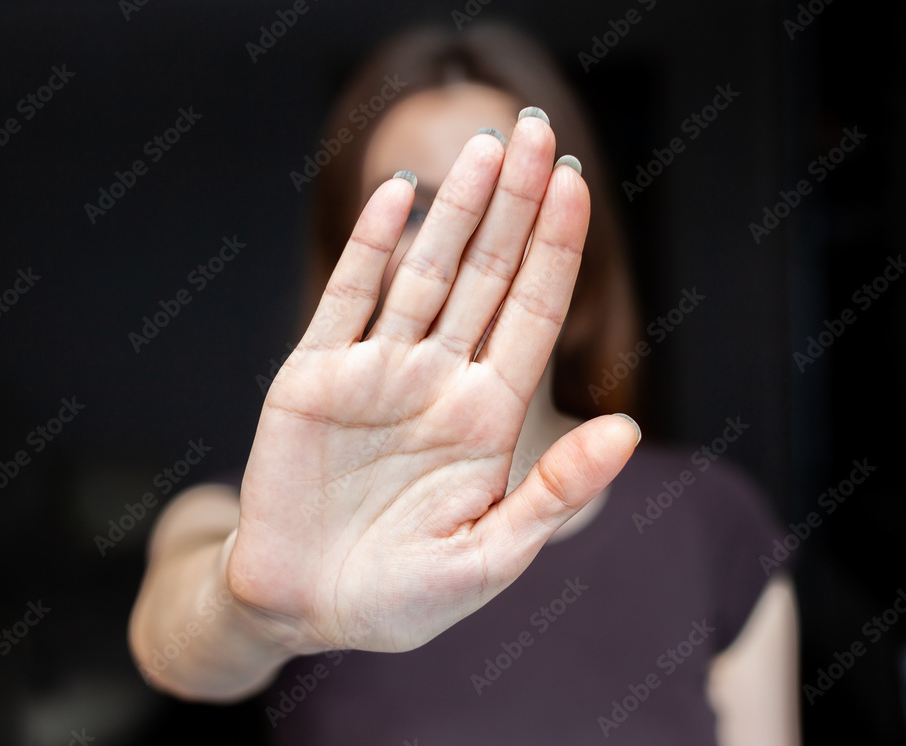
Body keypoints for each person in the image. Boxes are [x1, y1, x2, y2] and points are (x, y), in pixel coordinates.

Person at [128, 24, 799, 744]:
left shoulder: (710, 519)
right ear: (347, 256)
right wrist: (258, 612)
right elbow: (178, 650)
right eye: (417, 207)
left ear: (580, 249)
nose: (466, 233)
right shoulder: (264, 517)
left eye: (512, 195)